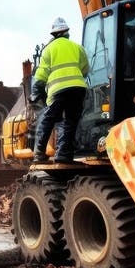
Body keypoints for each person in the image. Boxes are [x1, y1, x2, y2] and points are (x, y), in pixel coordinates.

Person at [31, 17, 89, 163]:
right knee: (70, 121)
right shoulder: (77, 47)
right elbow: (85, 69)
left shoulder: (48, 50)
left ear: (54, 34)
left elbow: (41, 74)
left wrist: (36, 92)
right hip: (78, 88)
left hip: (58, 90)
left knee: (48, 119)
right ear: (67, 32)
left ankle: (39, 153)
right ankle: (63, 154)